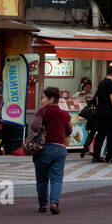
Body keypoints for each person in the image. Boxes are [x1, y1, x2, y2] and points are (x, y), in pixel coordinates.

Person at [32, 86, 71, 214]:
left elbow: (34, 126)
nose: (42, 100)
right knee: (57, 178)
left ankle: (43, 204)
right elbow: (69, 130)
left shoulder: (42, 112)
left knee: (42, 179)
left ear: (51, 99)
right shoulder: (64, 114)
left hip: (44, 148)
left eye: (43, 97)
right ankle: (54, 202)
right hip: (60, 149)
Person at [85, 77, 112, 162]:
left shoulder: (101, 83)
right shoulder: (111, 84)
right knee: (111, 135)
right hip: (109, 113)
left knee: (100, 135)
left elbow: (97, 98)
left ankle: (96, 156)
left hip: (100, 112)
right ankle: (110, 156)